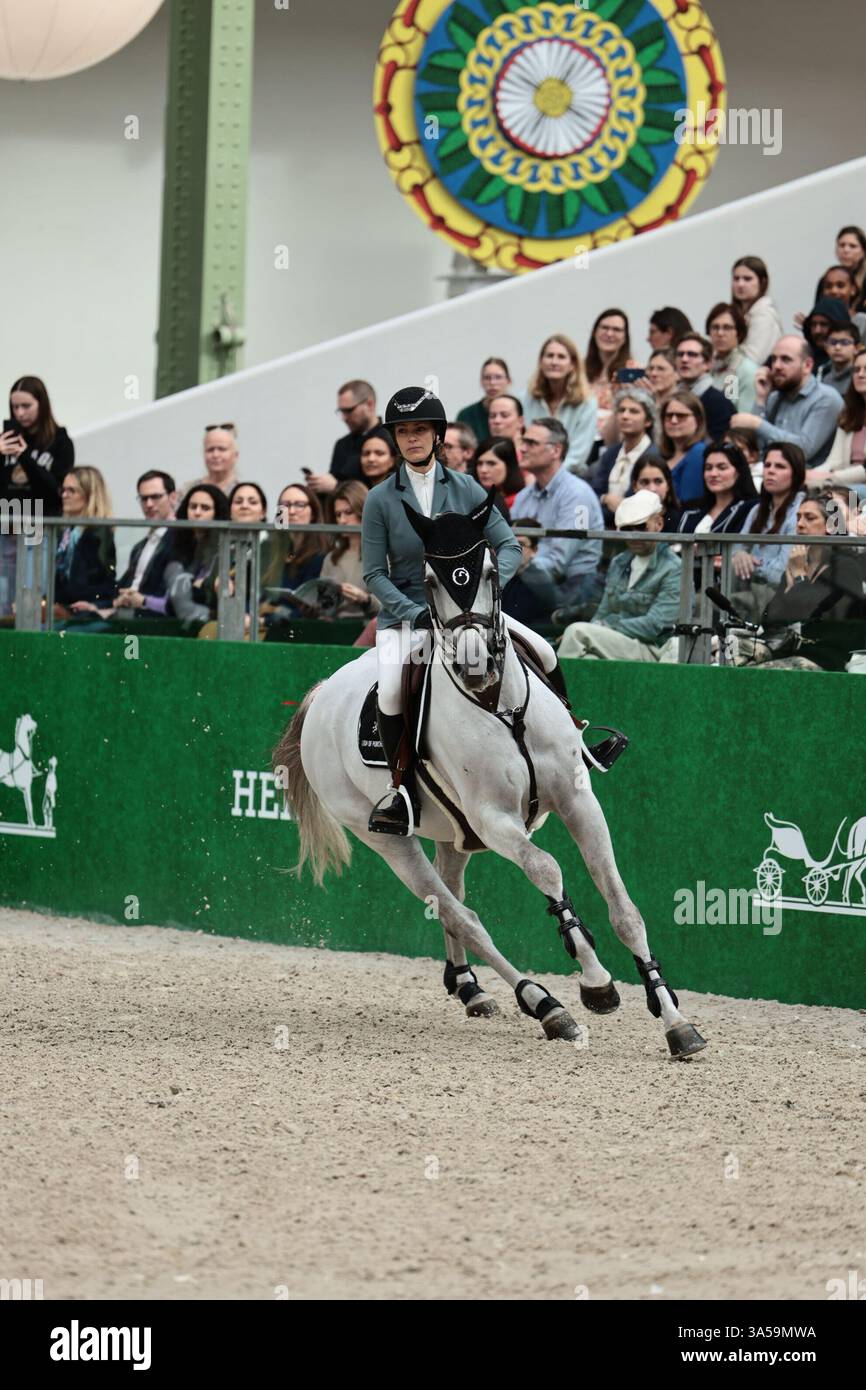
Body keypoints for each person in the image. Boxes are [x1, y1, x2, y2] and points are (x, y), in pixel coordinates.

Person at [361, 387, 601, 836]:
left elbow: (508, 545)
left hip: (470, 610)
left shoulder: (467, 487)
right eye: (404, 432)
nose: (412, 439)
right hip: (410, 613)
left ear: (437, 436)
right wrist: (411, 612)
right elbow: (374, 574)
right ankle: (402, 789)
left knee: (544, 651)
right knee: (392, 691)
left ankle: (577, 741)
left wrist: (485, 594)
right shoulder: (380, 499)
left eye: (421, 430)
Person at [557, 490, 680, 662]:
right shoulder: (619, 562)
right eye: (627, 529)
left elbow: (656, 626)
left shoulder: (674, 568)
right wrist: (595, 628)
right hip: (619, 644)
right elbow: (604, 611)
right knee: (586, 657)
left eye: (641, 526)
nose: (634, 534)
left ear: (659, 524)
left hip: (652, 649)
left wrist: (602, 628)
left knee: (576, 633)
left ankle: (552, 689)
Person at [511, 417, 604, 610]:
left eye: (532, 443)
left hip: (573, 589)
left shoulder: (577, 495)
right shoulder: (523, 496)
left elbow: (557, 563)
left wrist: (517, 563)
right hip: (532, 583)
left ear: (556, 450)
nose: (523, 449)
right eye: (523, 442)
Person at [730, 336, 842, 466]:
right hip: (769, 473)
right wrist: (761, 399)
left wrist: (757, 423)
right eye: (774, 359)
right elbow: (758, 447)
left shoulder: (826, 398)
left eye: (785, 359)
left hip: (808, 479)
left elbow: (802, 451)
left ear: (807, 365)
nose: (776, 366)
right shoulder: (774, 397)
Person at [731, 442, 806, 613]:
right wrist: (740, 555)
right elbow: (736, 549)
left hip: (778, 596)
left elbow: (781, 571)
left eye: (780, 466)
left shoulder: (802, 510)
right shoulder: (757, 510)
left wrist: (750, 564)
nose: (770, 471)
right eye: (767, 465)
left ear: (796, 474)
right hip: (749, 590)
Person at [522, 335, 597, 477]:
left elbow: (577, 456)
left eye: (561, 357)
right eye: (549, 356)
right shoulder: (526, 398)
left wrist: (548, 474)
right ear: (541, 361)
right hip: (529, 475)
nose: (554, 362)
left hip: (571, 478)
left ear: (572, 364)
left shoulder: (587, 404)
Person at [158, 484, 230, 628]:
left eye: (205, 508)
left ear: (217, 513)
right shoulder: (177, 543)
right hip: (177, 618)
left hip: (213, 621)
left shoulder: (225, 548)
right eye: (193, 507)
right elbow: (170, 599)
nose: (197, 512)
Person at [112, 470, 179, 615]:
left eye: (155, 497)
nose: (149, 504)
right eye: (143, 498)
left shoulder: (181, 539)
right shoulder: (139, 547)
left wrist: (140, 600)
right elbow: (122, 585)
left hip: (157, 619)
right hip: (129, 614)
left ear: (173, 497)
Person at [55, 467, 117, 614]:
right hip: (67, 605)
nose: (64, 495)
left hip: (88, 609)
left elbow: (89, 582)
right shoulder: (67, 531)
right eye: (63, 490)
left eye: (72, 490)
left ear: (89, 495)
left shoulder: (98, 532)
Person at [262, 484, 330, 620]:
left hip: (295, 626)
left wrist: (265, 620)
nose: (291, 511)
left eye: (299, 505)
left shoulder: (321, 555)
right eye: (285, 505)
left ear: (313, 513)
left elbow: (311, 607)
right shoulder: (268, 548)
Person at [592, 389, 659, 524]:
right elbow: (593, 491)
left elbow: (640, 507)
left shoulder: (654, 456)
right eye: (621, 410)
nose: (625, 416)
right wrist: (606, 498)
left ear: (648, 421)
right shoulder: (611, 453)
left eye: (633, 411)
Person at [677, 444, 758, 552]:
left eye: (722, 467)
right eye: (708, 468)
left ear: (738, 472)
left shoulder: (751, 508)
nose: (713, 474)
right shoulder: (691, 508)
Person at [308, 380, 380, 495]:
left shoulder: (389, 438)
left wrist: (336, 486)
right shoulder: (342, 444)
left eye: (349, 411)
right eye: (341, 411)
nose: (344, 418)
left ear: (369, 404)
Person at [807, 347, 866, 487]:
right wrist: (807, 476)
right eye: (856, 370)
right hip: (844, 485)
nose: (861, 374)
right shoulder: (849, 413)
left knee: (836, 502)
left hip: (856, 489)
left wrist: (829, 478)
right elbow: (834, 462)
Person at [320, 480, 379, 620]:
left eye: (348, 512)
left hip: (369, 627)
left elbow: (395, 604)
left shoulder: (384, 553)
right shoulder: (331, 558)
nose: (342, 520)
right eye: (338, 515)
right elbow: (323, 606)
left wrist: (365, 599)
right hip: (335, 627)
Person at [1, 375, 74, 488]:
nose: (20, 413)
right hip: (7, 505)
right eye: (15, 407)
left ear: (42, 405)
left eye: (26, 406)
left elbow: (57, 493)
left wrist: (24, 457)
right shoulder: (6, 441)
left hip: (41, 505)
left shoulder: (61, 443)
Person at [584, 308, 634, 450]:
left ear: (625, 337)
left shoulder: (630, 371)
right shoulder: (579, 370)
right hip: (581, 441)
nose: (609, 334)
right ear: (595, 332)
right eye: (605, 328)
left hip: (613, 445)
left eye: (617, 330)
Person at [674, 333, 735, 441]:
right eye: (680, 354)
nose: (684, 359)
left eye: (692, 354)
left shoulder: (719, 402)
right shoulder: (673, 397)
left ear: (708, 363)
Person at [502, 517, 558, 627]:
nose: (513, 548)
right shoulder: (503, 574)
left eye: (521, 544)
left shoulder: (537, 582)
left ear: (534, 550)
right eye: (509, 542)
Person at [730, 256, 784, 364]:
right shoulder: (740, 314)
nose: (740, 284)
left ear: (762, 282)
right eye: (736, 279)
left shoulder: (764, 315)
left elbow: (753, 360)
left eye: (747, 279)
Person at [705, 302, 758, 412]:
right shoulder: (706, 366)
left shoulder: (748, 370)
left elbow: (744, 418)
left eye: (727, 328)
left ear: (738, 333)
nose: (720, 333)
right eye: (715, 327)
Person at [659, 391, 707, 505]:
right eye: (669, 416)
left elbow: (688, 503)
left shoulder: (699, 453)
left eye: (681, 416)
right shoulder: (659, 454)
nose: (673, 421)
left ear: (698, 420)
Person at [457, 358, 511, 442]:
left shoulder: (518, 411)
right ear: (481, 382)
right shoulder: (466, 415)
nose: (492, 382)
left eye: (498, 377)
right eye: (487, 378)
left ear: (508, 381)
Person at [470, 436, 524, 515]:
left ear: (509, 466)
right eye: (479, 463)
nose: (483, 470)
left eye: (491, 463)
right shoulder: (470, 498)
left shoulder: (523, 500)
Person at [631, 455, 681, 532]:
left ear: (667, 485)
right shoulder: (627, 520)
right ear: (634, 486)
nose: (652, 489)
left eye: (658, 481)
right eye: (644, 482)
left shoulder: (681, 521)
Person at [816, 321, 860, 399]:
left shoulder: (861, 376)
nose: (837, 347)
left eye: (845, 342)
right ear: (826, 347)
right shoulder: (822, 375)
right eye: (833, 342)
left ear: (856, 348)